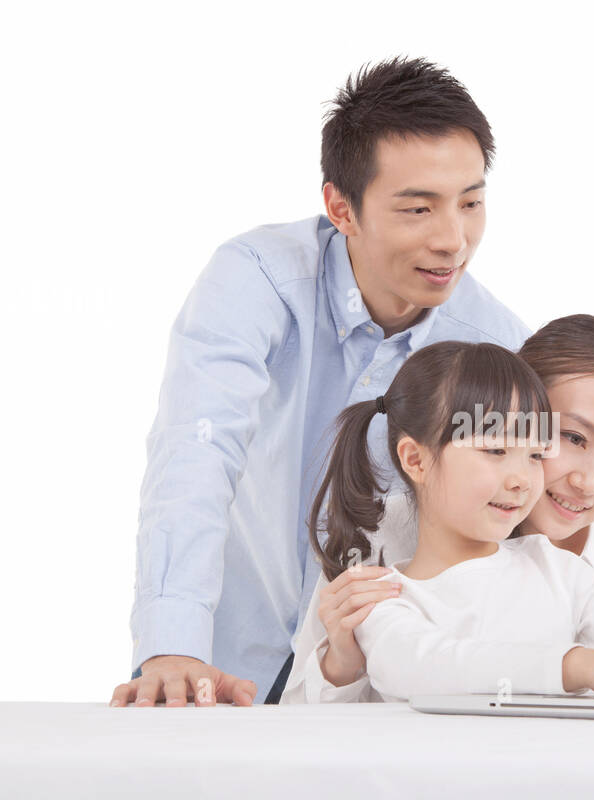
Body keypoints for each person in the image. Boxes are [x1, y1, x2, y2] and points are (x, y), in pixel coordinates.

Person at [112, 57, 533, 708]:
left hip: (374, 690)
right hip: (226, 666)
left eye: (471, 203)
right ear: (341, 207)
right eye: (418, 208)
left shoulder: (495, 344)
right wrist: (173, 644)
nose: (454, 240)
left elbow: (523, 508)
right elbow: (196, 451)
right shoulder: (258, 279)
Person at [292, 340, 594, 702]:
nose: (521, 478)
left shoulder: (564, 571)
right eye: (495, 449)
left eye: (536, 454)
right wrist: (576, 665)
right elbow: (428, 666)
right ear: (416, 460)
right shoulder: (381, 594)